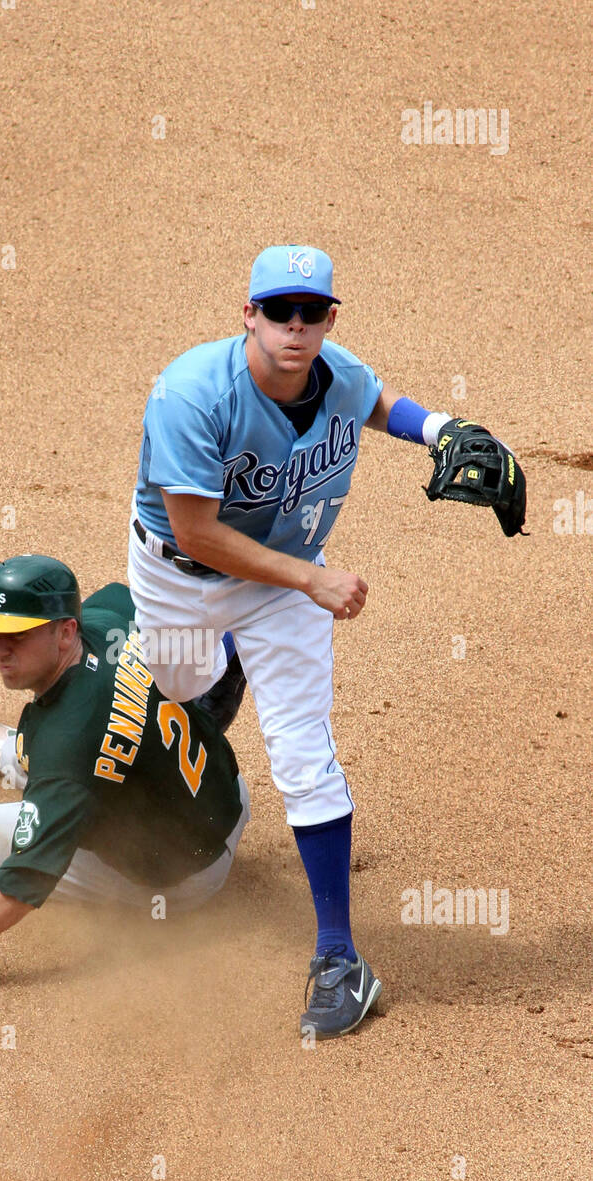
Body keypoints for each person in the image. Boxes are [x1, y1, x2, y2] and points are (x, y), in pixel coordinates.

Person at [127, 242, 510, 1039]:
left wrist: (443, 428)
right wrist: (312, 580)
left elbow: (378, 402)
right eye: (279, 311)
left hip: (286, 589)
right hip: (179, 576)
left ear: (330, 319)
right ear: (248, 314)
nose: (294, 327)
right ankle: (224, 662)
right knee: (180, 691)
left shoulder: (336, 372)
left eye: (311, 313)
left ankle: (338, 957)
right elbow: (197, 534)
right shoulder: (191, 395)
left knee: (302, 754)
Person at [0, 554, 249, 999]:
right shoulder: (110, 615)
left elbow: (24, 880)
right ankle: (23, 754)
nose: (0, 649)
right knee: (82, 755)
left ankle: (22, 756)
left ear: (65, 632)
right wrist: (1, 600)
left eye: (17, 635)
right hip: (228, 796)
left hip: (185, 879)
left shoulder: (68, 743)